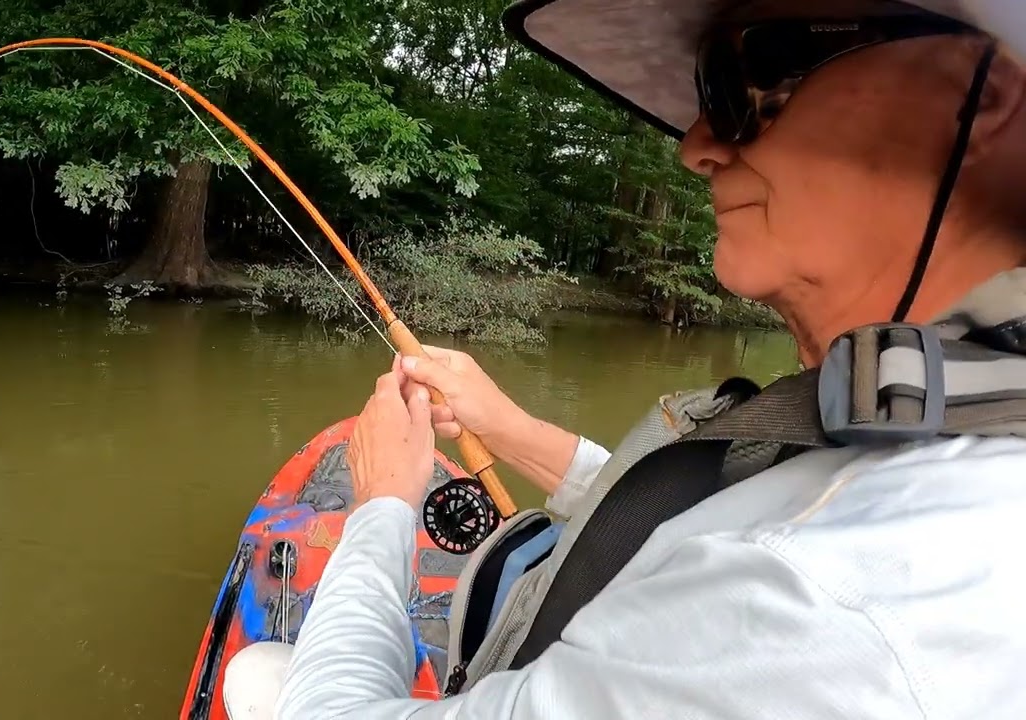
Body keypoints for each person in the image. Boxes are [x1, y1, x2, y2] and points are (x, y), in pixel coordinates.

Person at [221, 0, 1026, 717]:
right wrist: (509, 426)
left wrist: (382, 509)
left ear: (980, 94)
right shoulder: (927, 407)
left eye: (756, 75)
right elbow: (695, 510)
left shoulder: (827, 609)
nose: (698, 146)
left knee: (260, 675)